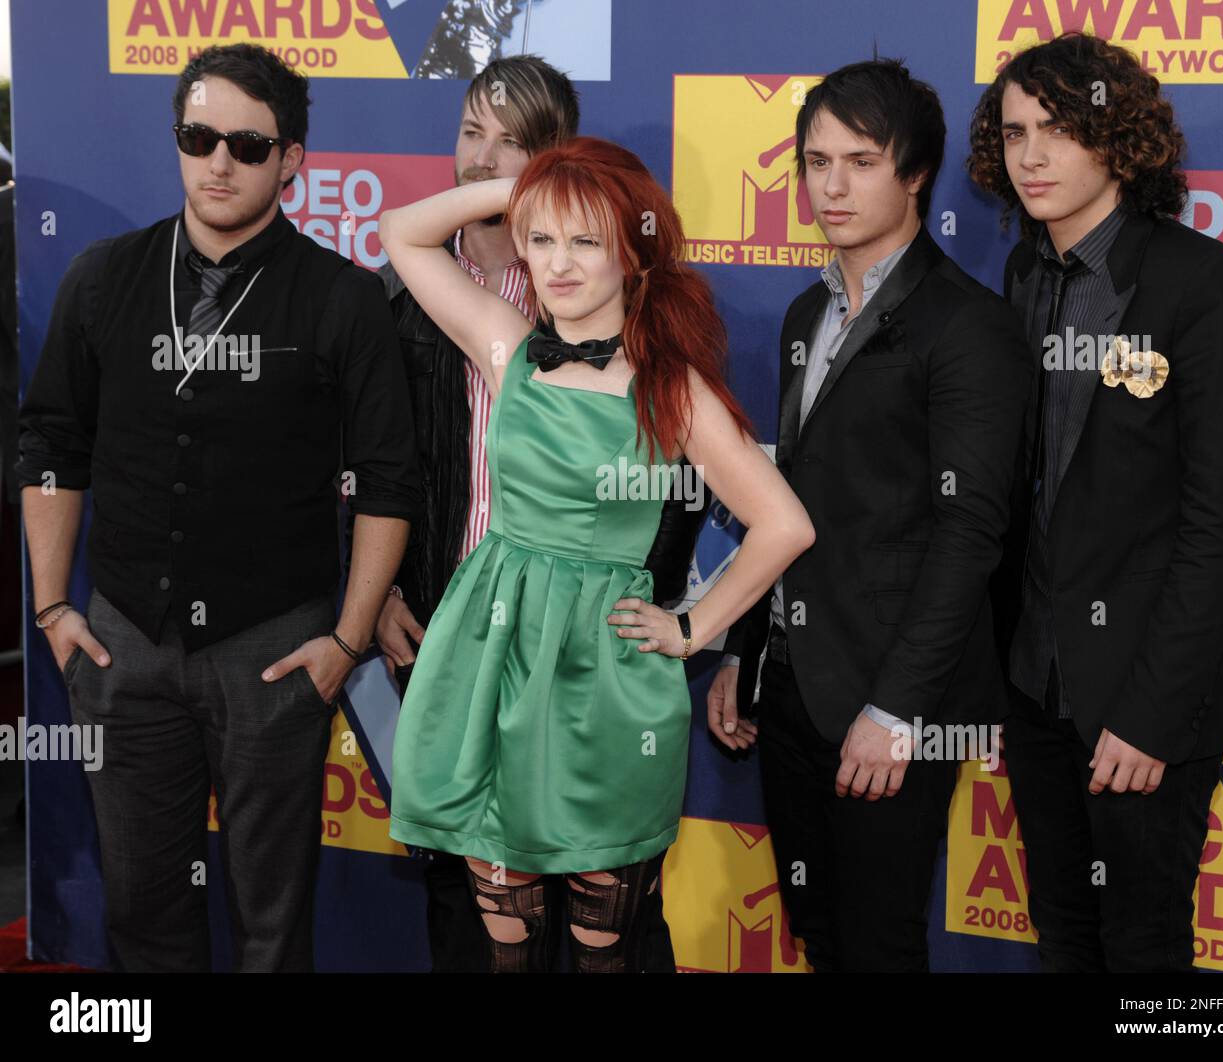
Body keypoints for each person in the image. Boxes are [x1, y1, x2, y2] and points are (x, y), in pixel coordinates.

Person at [15, 43, 420, 971]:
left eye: (247, 143)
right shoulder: (103, 277)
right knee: (140, 910)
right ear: (178, 142)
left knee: (272, 923)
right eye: (199, 137)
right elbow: (49, 446)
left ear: (292, 160)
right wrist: (51, 606)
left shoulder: (343, 301)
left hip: (277, 654)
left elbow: (388, 482)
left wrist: (347, 643)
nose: (220, 162)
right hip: (122, 644)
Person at [379, 135, 816, 973]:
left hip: (605, 677)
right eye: (540, 240)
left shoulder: (670, 388)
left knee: (601, 947)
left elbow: (784, 524)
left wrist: (690, 630)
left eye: (586, 241)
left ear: (633, 251)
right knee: (505, 944)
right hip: (489, 655)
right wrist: (530, 185)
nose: (559, 265)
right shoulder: (507, 346)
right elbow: (403, 233)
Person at [374, 55, 702, 972]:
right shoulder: (432, 310)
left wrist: (678, 620)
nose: (484, 159)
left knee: (611, 909)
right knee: (472, 904)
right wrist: (388, 594)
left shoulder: (629, 338)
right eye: (473, 133)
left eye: (514, 143)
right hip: (465, 633)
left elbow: (692, 500)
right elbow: (375, 466)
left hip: (593, 651)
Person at [707, 59, 1032, 972]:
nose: (833, 186)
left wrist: (897, 711)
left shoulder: (967, 327)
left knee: (878, 945)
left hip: (896, 696)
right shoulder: (806, 313)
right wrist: (746, 651)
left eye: (861, 161)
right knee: (816, 935)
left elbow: (970, 535)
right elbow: (785, 506)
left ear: (915, 173)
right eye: (816, 162)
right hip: (795, 684)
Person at [967, 32, 1223, 972]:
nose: (1032, 155)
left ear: (1117, 138)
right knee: (1064, 934)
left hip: (1147, 693)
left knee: (1145, 952)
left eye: (1059, 129)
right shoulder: (1023, 276)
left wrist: (1148, 713)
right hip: (1036, 686)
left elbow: (1218, 522)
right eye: (1015, 132)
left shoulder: (1204, 283)